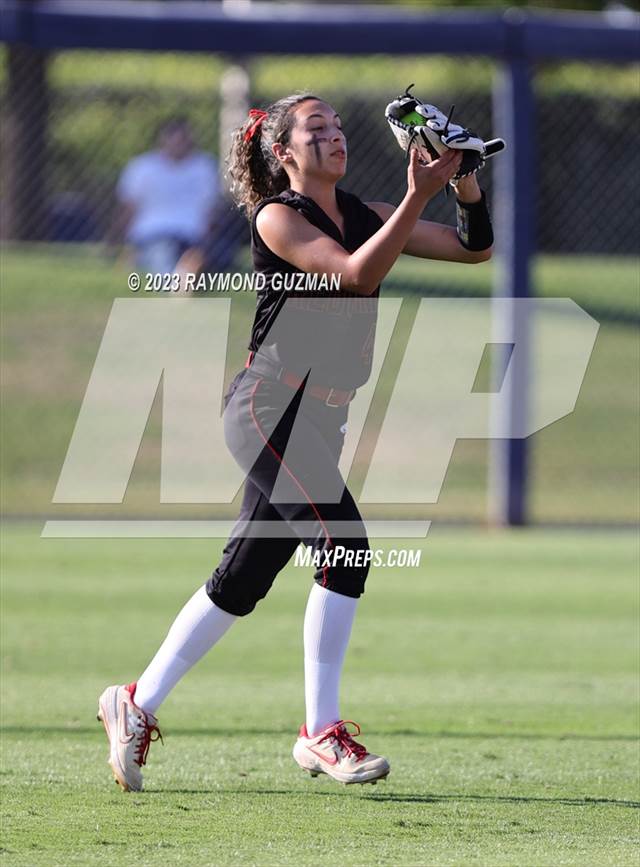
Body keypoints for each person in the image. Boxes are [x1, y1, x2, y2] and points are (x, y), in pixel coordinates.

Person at [97, 93, 493, 791]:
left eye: (337, 126)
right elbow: (356, 273)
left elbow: (474, 247)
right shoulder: (278, 215)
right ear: (282, 152)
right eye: (316, 129)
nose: (335, 136)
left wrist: (459, 179)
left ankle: (135, 701)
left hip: (319, 419)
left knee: (243, 578)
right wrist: (415, 195)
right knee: (346, 547)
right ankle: (320, 731)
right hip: (269, 408)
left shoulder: (365, 214)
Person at [110, 117, 220, 274]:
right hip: (154, 233)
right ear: (162, 140)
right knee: (162, 254)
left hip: (192, 235)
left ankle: (186, 271)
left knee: (212, 255)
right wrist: (118, 240)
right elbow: (129, 208)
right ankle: (180, 280)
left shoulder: (204, 166)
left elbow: (210, 210)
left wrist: (208, 238)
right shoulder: (142, 167)